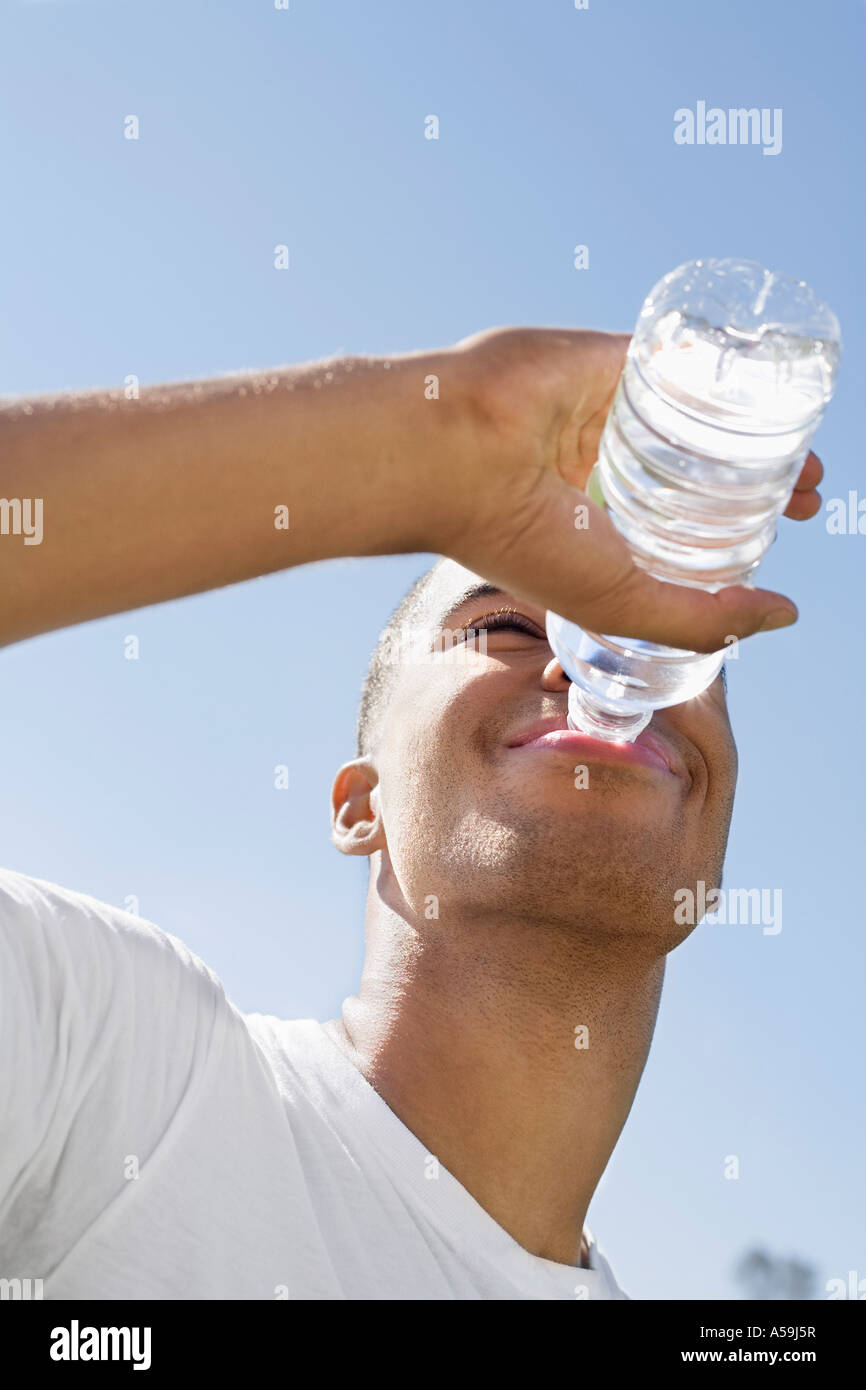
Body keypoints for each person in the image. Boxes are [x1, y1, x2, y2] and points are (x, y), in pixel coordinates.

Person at [0, 328, 823, 1299]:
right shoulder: (124, 1076)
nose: (595, 671)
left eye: (664, 647)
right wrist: (444, 437)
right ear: (360, 805)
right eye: (506, 626)